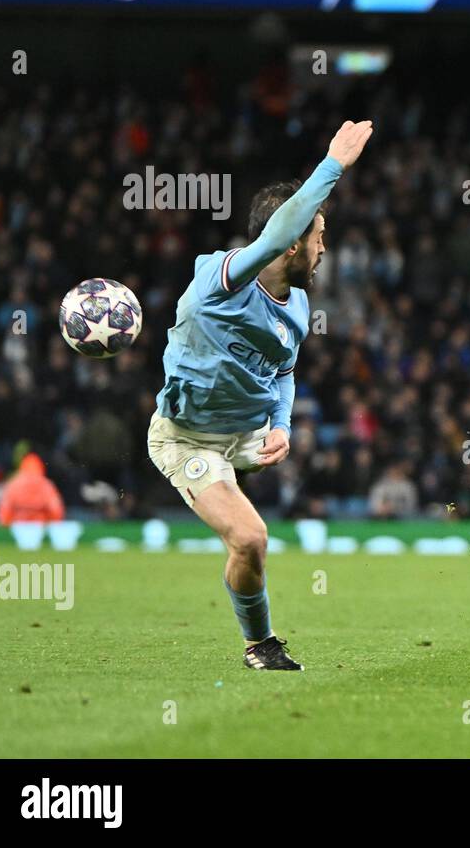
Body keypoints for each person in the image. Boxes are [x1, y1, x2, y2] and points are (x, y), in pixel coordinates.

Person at [147, 120, 373, 671]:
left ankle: (257, 636)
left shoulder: (296, 305)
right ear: (293, 241)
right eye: (318, 238)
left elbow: (284, 372)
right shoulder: (220, 280)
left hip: (245, 437)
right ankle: (260, 645)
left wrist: (283, 425)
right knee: (250, 539)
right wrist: (332, 166)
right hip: (188, 438)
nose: (324, 249)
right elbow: (272, 239)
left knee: (249, 540)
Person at [0, 452, 65, 526]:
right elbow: (56, 511)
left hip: (17, 531)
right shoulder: (46, 485)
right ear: (41, 467)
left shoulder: (14, 484)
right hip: (41, 531)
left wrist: (7, 530)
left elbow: (4, 512)